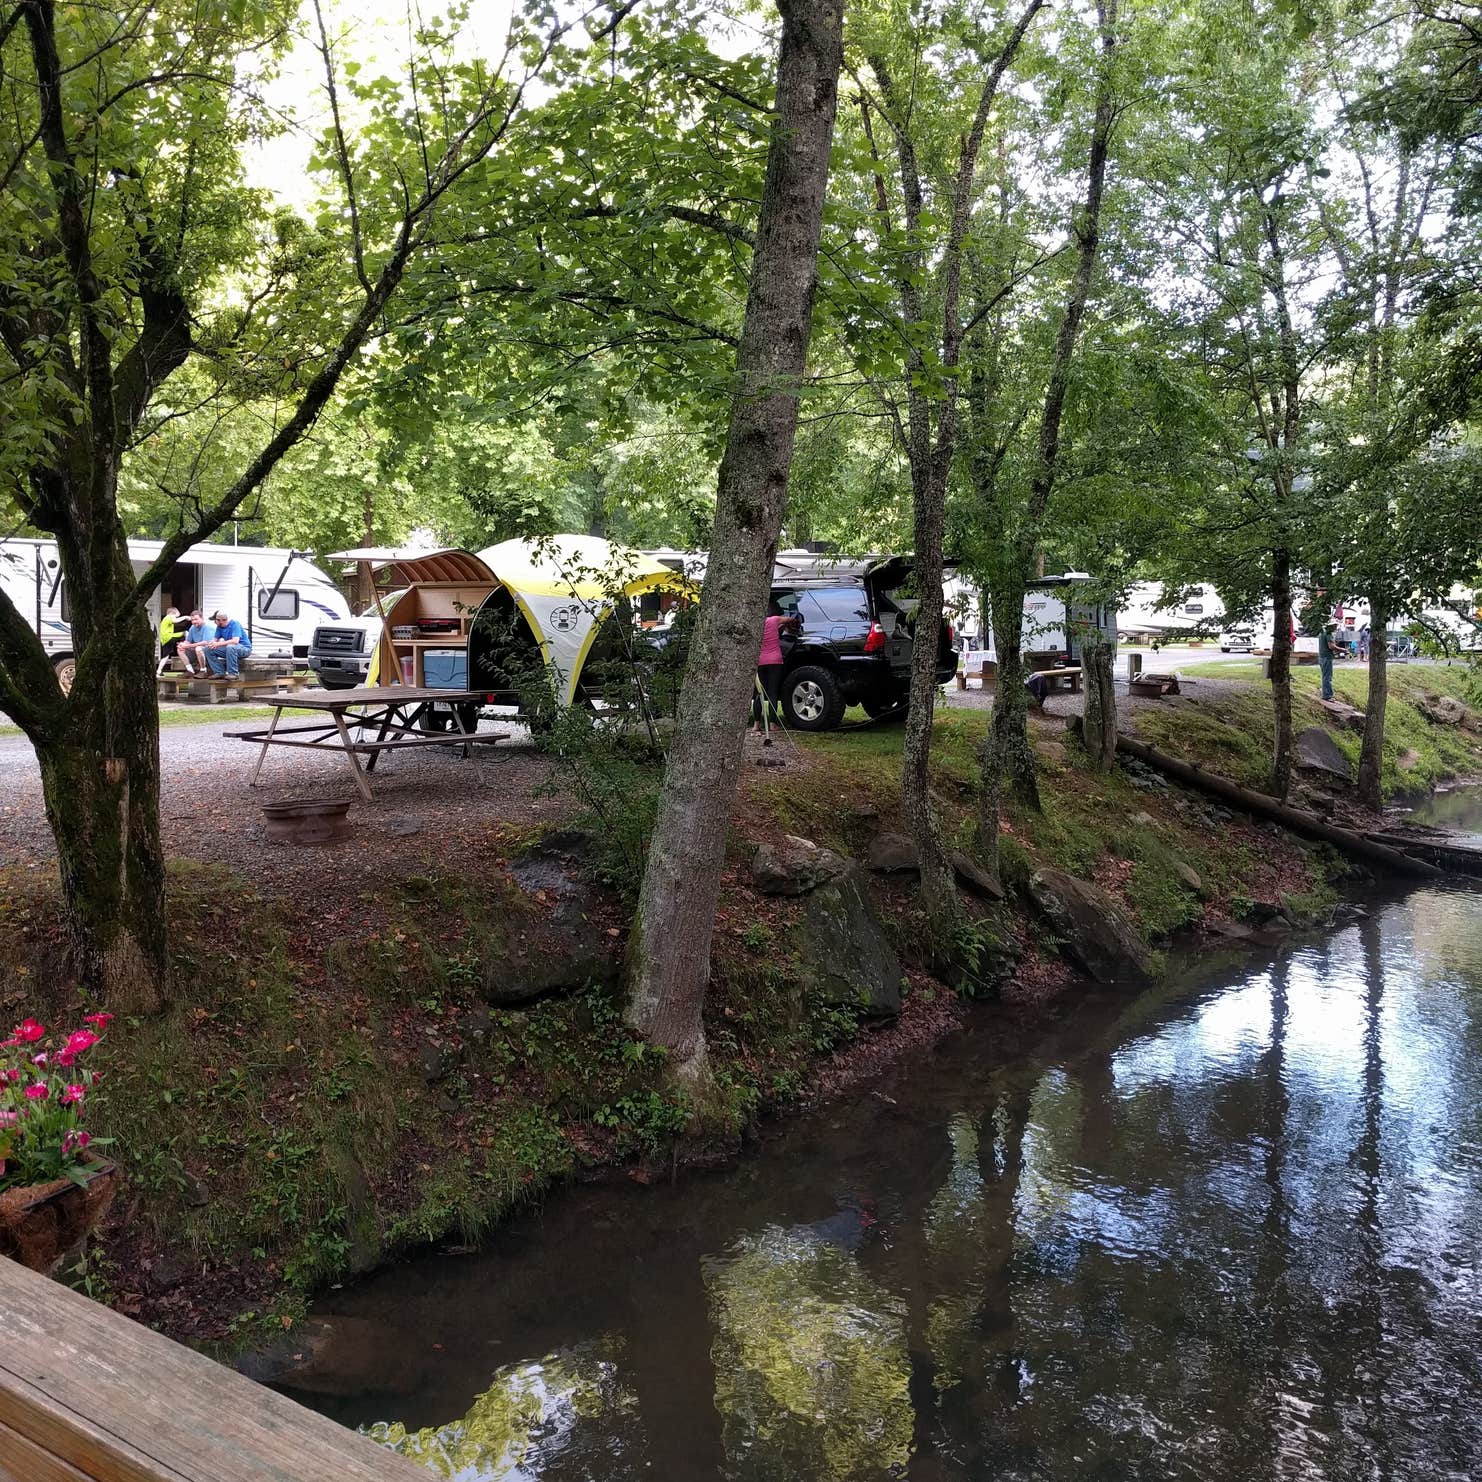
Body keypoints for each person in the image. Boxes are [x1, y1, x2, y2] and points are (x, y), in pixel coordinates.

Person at [751, 601, 799, 733]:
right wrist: (787, 622)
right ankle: (772, 724)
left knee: (759, 694)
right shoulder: (774, 620)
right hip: (775, 661)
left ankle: (756, 725)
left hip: (760, 662)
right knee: (772, 693)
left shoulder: (756, 624)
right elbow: (792, 619)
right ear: (774, 612)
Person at [204, 609, 252, 679]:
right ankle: (219, 672)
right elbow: (214, 640)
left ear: (221, 620)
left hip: (244, 649)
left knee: (230, 646)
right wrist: (211, 644)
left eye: (216, 620)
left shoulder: (235, 624)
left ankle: (233, 673)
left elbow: (235, 641)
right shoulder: (219, 627)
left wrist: (218, 644)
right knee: (208, 649)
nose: (215, 622)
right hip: (230, 650)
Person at [177, 609, 211, 674]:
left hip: (208, 651)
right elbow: (188, 641)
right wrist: (183, 644)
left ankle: (203, 670)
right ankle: (190, 670)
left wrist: (188, 645)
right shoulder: (192, 627)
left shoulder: (207, 627)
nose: (194, 622)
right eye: (192, 620)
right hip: (196, 650)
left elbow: (205, 643)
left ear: (202, 618)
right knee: (180, 649)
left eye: (196, 619)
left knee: (198, 648)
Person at [156, 607, 185, 675]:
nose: (179, 614)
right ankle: (182, 646)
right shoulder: (169, 617)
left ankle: (159, 671)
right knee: (185, 633)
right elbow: (175, 621)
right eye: (178, 613)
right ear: (172, 613)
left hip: (165, 640)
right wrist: (185, 617)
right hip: (169, 637)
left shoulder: (165, 619)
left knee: (165, 656)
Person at [1317, 620, 1338, 700]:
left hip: (1321, 657)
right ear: (1331, 626)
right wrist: (1342, 650)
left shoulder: (1322, 633)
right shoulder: (1328, 634)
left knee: (1325, 676)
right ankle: (1327, 695)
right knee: (1327, 677)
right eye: (1335, 625)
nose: (1336, 627)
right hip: (1327, 657)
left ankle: (1325, 692)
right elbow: (1331, 646)